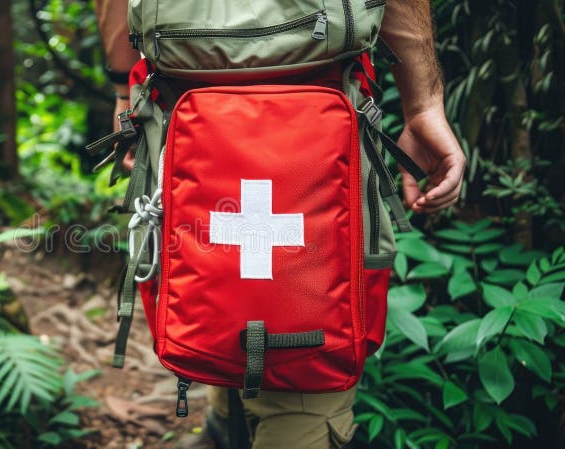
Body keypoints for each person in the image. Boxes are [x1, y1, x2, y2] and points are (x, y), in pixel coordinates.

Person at [93, 1, 467, 448]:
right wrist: (423, 104)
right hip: (320, 93)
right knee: (298, 341)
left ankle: (224, 417)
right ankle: (248, 418)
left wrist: (122, 90)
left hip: (180, 99)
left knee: (217, 287)